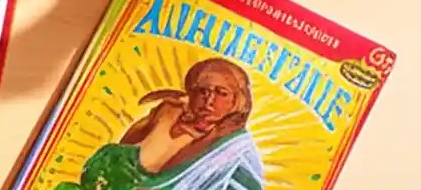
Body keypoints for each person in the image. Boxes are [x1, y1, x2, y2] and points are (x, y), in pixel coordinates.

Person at [54, 58, 265, 190]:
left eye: (221, 93)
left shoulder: (236, 151)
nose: (209, 101)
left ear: (237, 101)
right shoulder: (167, 116)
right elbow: (119, 153)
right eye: (202, 91)